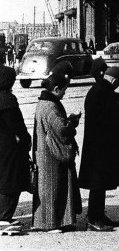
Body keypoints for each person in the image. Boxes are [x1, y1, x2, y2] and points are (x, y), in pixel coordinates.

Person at [78, 65, 119, 231]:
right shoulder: (101, 92)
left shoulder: (101, 90)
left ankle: (99, 215)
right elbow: (106, 119)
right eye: (118, 83)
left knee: (101, 183)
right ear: (114, 79)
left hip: (100, 145)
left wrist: (116, 101)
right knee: (97, 183)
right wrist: (116, 104)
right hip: (100, 147)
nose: (118, 86)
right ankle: (93, 218)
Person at [31, 69, 82, 233]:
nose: (64, 93)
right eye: (64, 90)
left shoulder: (43, 103)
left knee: (48, 190)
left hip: (44, 153)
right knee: (53, 189)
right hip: (51, 155)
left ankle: (49, 222)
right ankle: (52, 224)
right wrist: (72, 123)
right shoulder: (51, 107)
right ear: (57, 89)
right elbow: (61, 129)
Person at [0, 65, 31, 236]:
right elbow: (17, 126)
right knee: (11, 182)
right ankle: (3, 217)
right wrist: (26, 140)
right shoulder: (7, 100)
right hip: (9, 148)